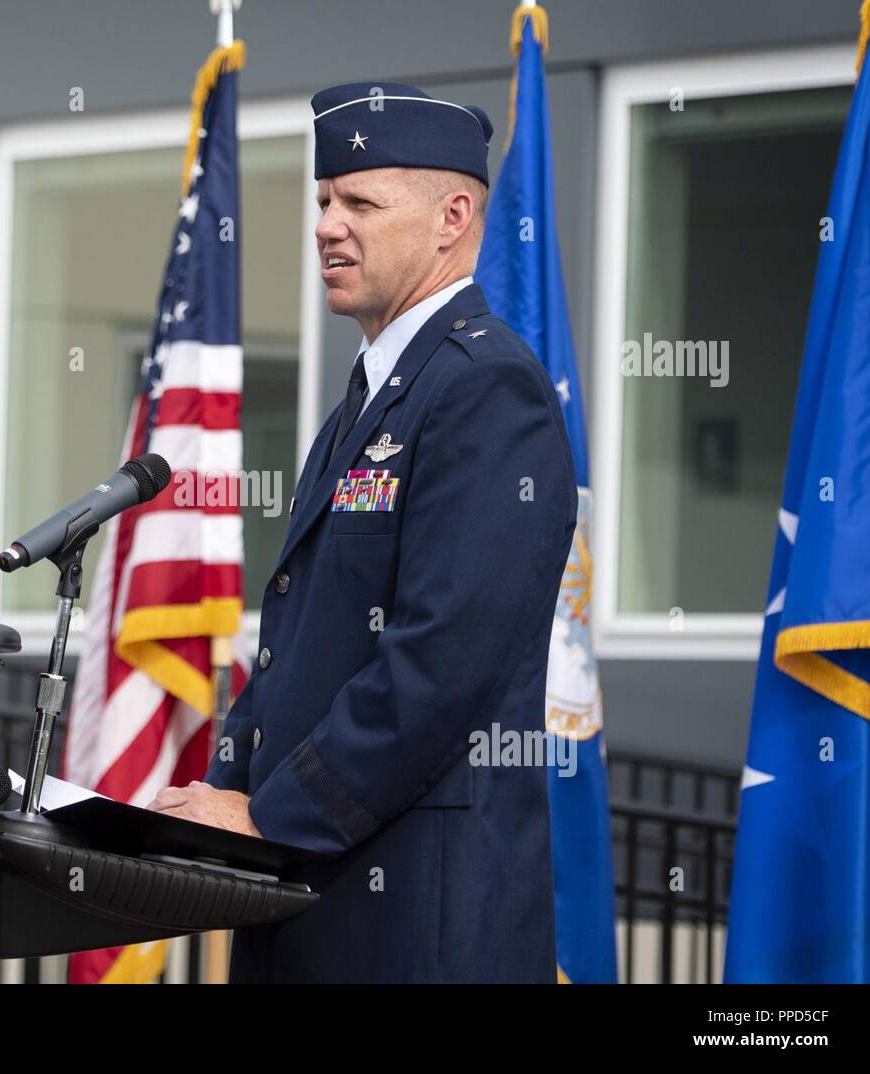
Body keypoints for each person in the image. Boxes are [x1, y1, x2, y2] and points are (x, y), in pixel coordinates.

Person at [148, 81, 577, 983]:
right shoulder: (367, 401)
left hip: (416, 921)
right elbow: (298, 642)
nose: (327, 225)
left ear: (452, 216)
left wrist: (269, 818)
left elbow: (441, 664)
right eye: (321, 202)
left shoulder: (486, 388)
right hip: (312, 894)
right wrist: (223, 794)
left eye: (360, 203)